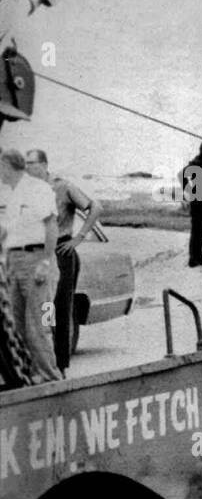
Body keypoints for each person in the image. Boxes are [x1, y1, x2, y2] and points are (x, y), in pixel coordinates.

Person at [24, 149, 103, 374]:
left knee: (60, 310)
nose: (28, 168)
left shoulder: (62, 186)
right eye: (26, 164)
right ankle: (43, 366)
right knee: (43, 310)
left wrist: (78, 238)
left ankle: (61, 367)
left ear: (44, 164)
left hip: (62, 252)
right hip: (39, 254)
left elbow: (96, 207)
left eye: (32, 164)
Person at [0, 148, 60, 383]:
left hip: (37, 260)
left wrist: (45, 261)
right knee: (17, 324)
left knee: (40, 323)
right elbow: (7, 231)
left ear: (6, 165)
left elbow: (51, 226)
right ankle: (30, 376)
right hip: (14, 262)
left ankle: (49, 376)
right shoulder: (10, 194)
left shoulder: (38, 189)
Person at [180, 140, 202, 266]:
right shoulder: (197, 163)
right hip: (197, 201)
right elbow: (182, 175)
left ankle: (198, 256)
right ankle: (193, 258)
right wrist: (189, 191)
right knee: (197, 230)